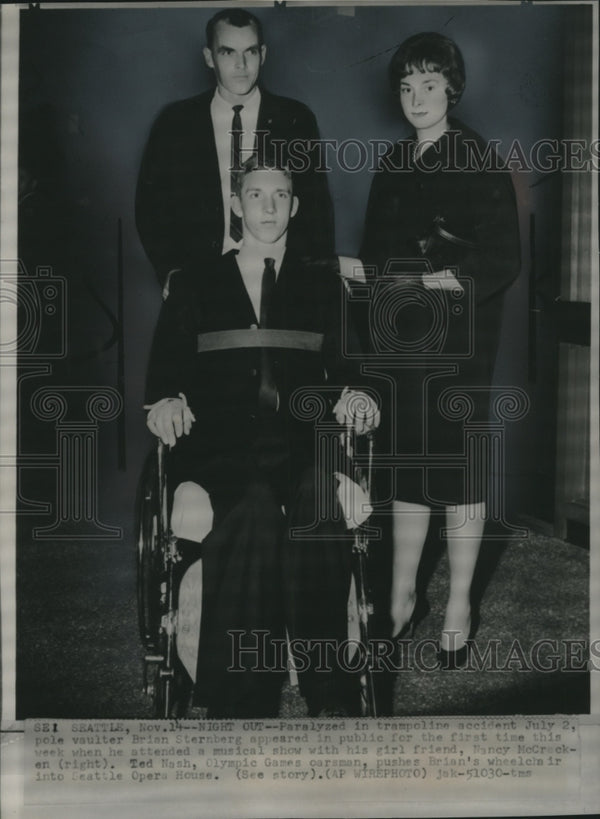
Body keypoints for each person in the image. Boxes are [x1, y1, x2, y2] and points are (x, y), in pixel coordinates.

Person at [145, 155, 378, 717]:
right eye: (255, 195)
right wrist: (169, 401)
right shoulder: (194, 282)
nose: (268, 207)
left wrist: (359, 396)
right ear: (235, 205)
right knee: (250, 503)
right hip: (220, 447)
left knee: (317, 497)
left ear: (295, 206)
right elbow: (163, 378)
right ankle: (237, 701)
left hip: (302, 440)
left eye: (280, 196)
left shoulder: (321, 284)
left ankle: (331, 693)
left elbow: (356, 372)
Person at [360, 32, 520, 667]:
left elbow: (502, 256)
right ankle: (401, 596)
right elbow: (376, 255)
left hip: (459, 340)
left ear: (451, 89)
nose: (416, 97)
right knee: (403, 465)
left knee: (456, 471)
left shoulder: (477, 157)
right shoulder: (391, 163)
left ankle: (458, 602)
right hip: (401, 339)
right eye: (406, 86)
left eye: (429, 85)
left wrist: (443, 280)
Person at [136, 8, 334, 294]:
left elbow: (316, 208)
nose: (241, 64)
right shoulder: (176, 122)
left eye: (250, 52)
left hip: (278, 278)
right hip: (199, 277)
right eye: (228, 52)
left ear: (262, 54)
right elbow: (150, 205)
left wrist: (314, 277)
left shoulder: (295, 119)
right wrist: (169, 269)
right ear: (209, 57)